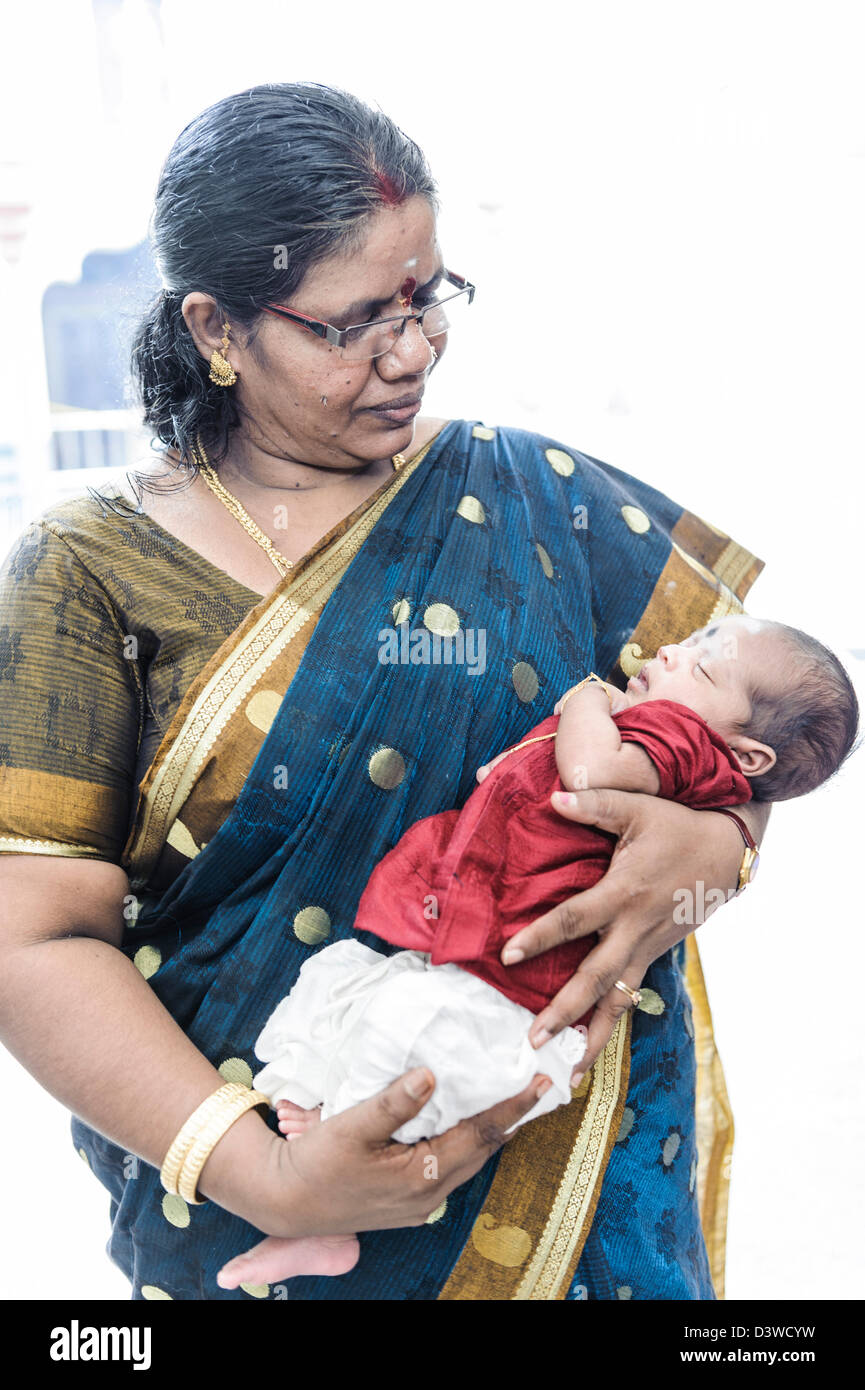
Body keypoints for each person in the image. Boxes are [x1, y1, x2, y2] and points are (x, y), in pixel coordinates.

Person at [0, 82, 773, 1301]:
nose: (411, 351)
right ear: (216, 326)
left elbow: (765, 724)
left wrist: (716, 838)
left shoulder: (533, 497)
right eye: (355, 321)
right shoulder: (90, 570)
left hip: (581, 1212)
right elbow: (35, 936)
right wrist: (262, 1175)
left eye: (428, 299)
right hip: (258, 1230)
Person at [215, 613, 858, 1287]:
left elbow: (585, 772)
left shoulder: (678, 741)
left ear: (747, 756)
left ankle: (328, 1195)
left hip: (517, 976)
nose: (667, 651)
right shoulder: (670, 736)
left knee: (405, 1021)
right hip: (494, 951)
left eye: (700, 665)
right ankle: (329, 1121)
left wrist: (584, 694)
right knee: (364, 994)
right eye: (692, 640)